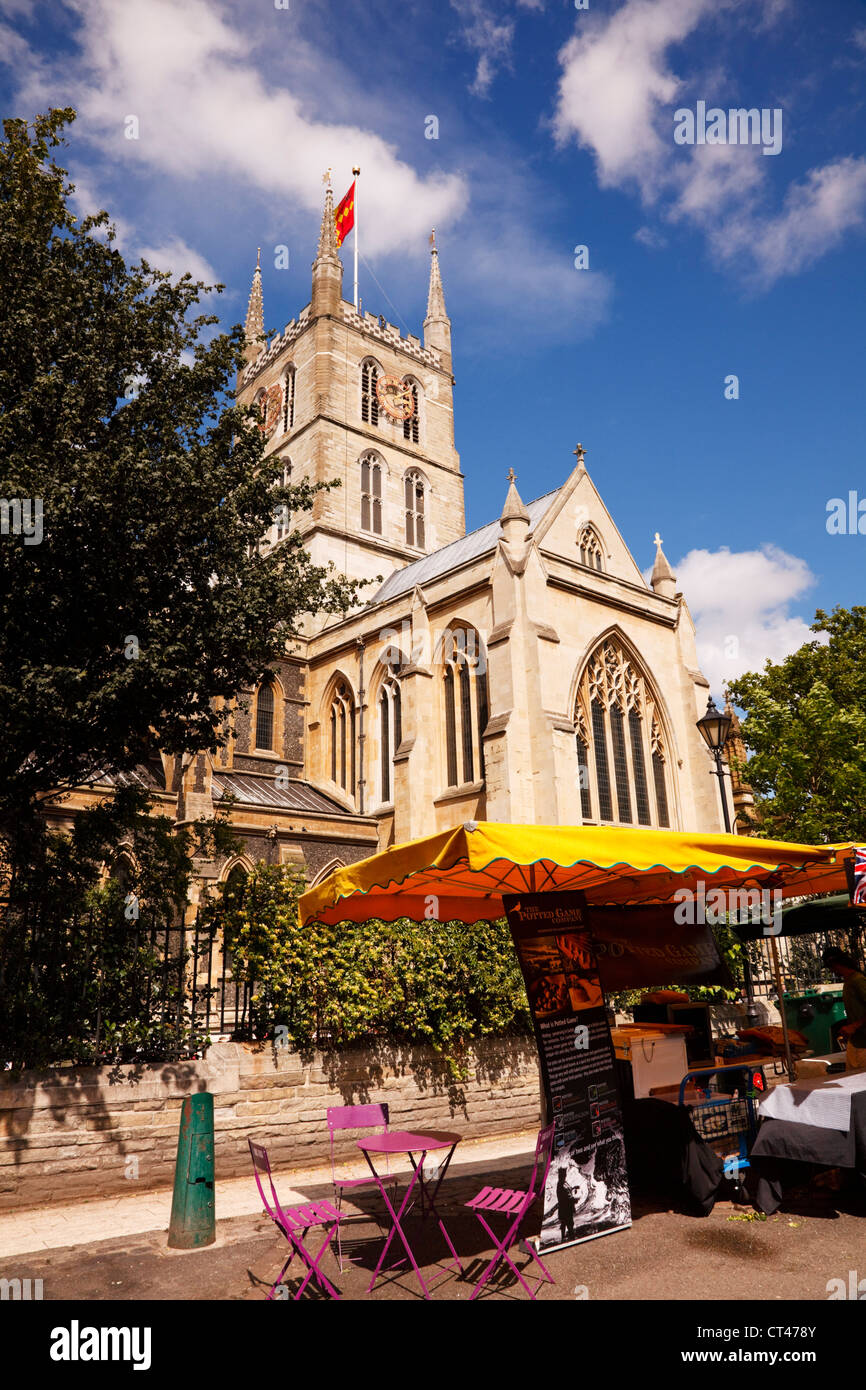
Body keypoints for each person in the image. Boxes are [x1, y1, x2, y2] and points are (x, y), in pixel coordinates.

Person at [821, 947, 866, 1071]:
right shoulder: (849, 981)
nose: (831, 971)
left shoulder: (857, 981)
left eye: (830, 968)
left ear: (835, 964)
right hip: (856, 1043)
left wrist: (854, 1026)